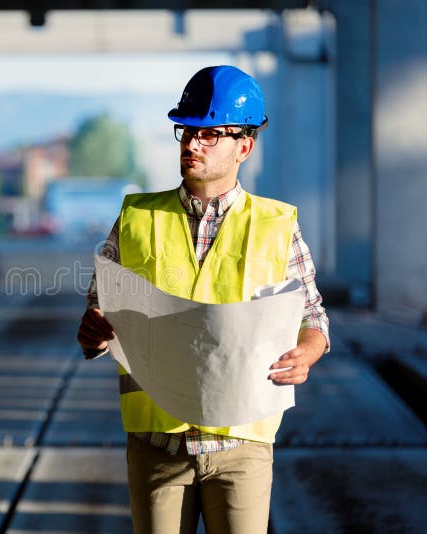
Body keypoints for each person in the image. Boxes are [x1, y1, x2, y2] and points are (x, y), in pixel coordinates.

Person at [76, 65, 329, 534]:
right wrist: (93, 333)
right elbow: (98, 316)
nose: (192, 144)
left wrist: (306, 354)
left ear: (244, 146)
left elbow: (313, 319)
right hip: (157, 445)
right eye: (187, 131)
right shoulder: (135, 218)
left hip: (241, 448)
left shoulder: (277, 226)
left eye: (209, 134)